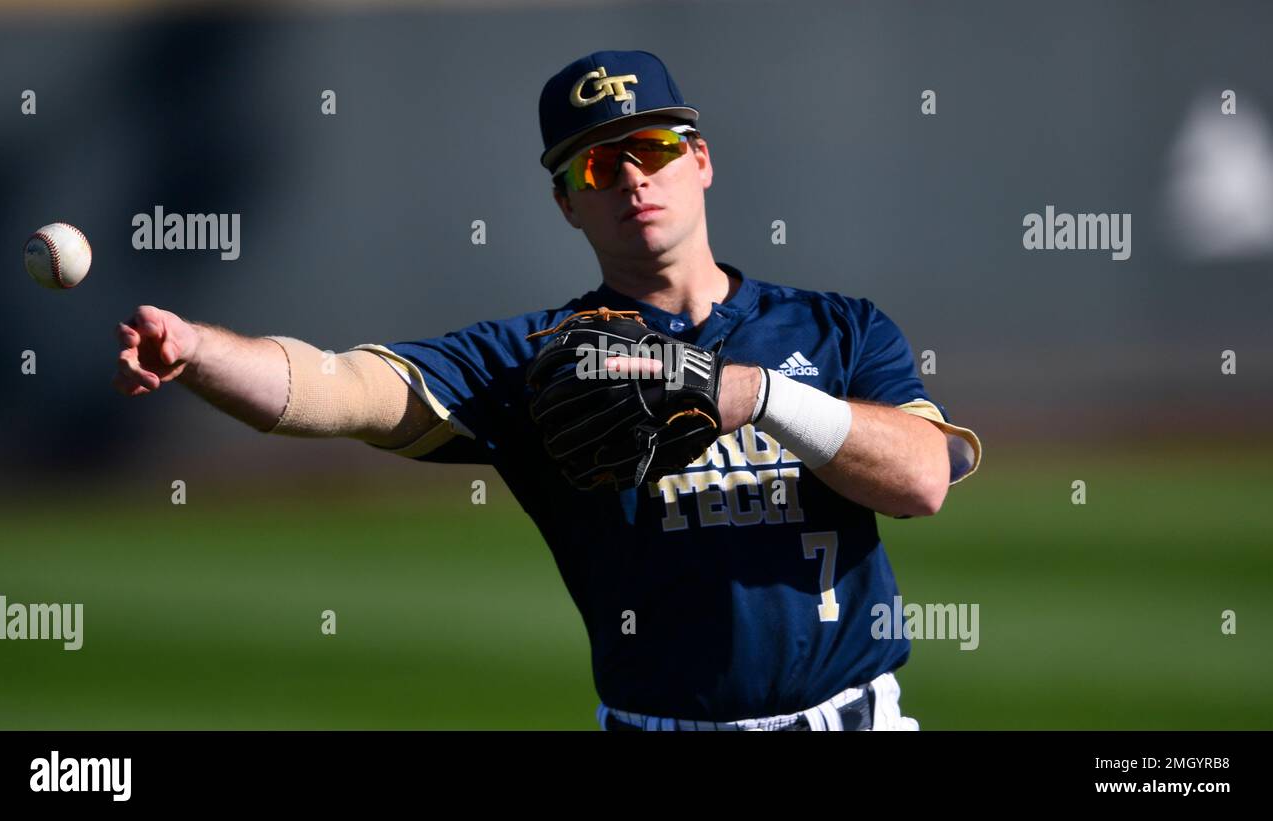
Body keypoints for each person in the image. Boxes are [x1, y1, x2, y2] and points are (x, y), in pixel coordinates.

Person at [114, 49, 981, 731]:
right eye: (597, 167)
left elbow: (922, 479)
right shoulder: (540, 360)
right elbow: (341, 387)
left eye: (653, 148)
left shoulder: (838, 329)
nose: (634, 178)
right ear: (567, 202)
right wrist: (198, 353)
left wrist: (753, 393)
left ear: (700, 160)